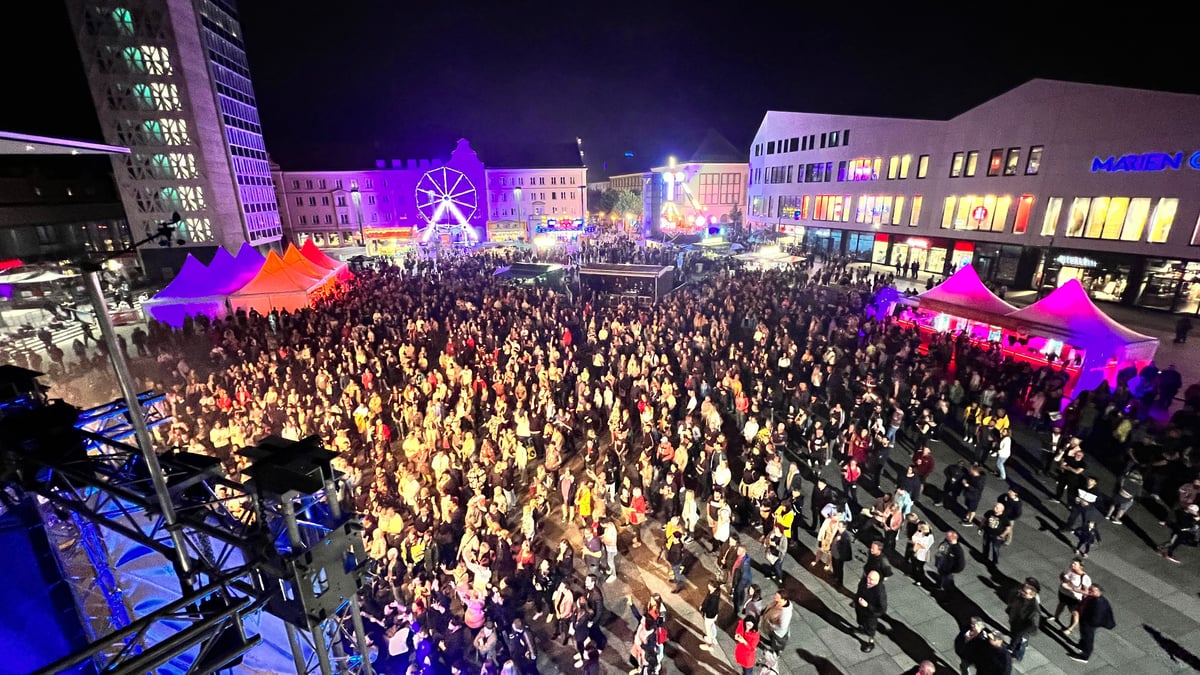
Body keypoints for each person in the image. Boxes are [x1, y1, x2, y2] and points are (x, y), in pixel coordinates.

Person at [1071, 584, 1116, 664]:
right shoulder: (1093, 597)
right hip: (1085, 620)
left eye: (1092, 590)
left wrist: (1087, 622)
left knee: (1088, 639)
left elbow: (1096, 617)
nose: (1089, 591)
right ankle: (1081, 645)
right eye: (1090, 589)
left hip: (1089, 623)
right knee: (1084, 635)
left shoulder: (1099, 602)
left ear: (1099, 592)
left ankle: (1085, 656)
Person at [1052, 559, 1091, 636]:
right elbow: (1065, 580)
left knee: (1075, 613)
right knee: (1061, 604)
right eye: (1072, 563)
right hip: (1063, 593)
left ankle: (1070, 629)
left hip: (1074, 598)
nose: (1072, 565)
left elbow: (1086, 592)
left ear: (1081, 566)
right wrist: (1062, 577)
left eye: (1075, 564)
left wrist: (1072, 589)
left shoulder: (1084, 578)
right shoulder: (1070, 570)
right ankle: (1055, 617)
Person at [854, 570, 887, 653]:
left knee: (871, 629)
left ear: (877, 581)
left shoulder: (879, 592)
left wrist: (867, 605)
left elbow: (881, 609)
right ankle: (861, 628)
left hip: (870, 614)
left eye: (871, 580)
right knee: (860, 620)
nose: (869, 581)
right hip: (860, 608)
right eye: (868, 578)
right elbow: (859, 591)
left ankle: (870, 642)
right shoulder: (864, 581)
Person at [1005, 581, 1039, 661]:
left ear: (1031, 595)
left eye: (1025, 592)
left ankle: (1017, 656)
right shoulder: (1021, 598)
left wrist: (1020, 633)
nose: (1022, 593)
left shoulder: (1033, 608)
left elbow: (1032, 624)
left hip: (1023, 628)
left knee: (1021, 642)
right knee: (1015, 638)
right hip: (1015, 622)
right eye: (1023, 591)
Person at [980, 502, 1012, 566]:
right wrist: (980, 527)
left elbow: (1008, 529)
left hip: (997, 536)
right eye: (994, 506)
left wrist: (1002, 535)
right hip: (987, 532)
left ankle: (995, 561)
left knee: (995, 548)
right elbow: (984, 520)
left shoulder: (1004, 518)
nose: (995, 508)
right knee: (985, 545)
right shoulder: (989, 513)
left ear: (1001, 510)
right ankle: (985, 557)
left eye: (997, 508)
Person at [698, 580, 721, 651]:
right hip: (712, 615)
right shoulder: (713, 592)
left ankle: (709, 644)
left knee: (708, 629)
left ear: (714, 587)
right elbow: (706, 600)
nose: (708, 586)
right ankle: (712, 637)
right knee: (711, 626)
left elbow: (710, 608)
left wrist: (703, 609)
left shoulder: (714, 597)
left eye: (710, 585)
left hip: (710, 615)